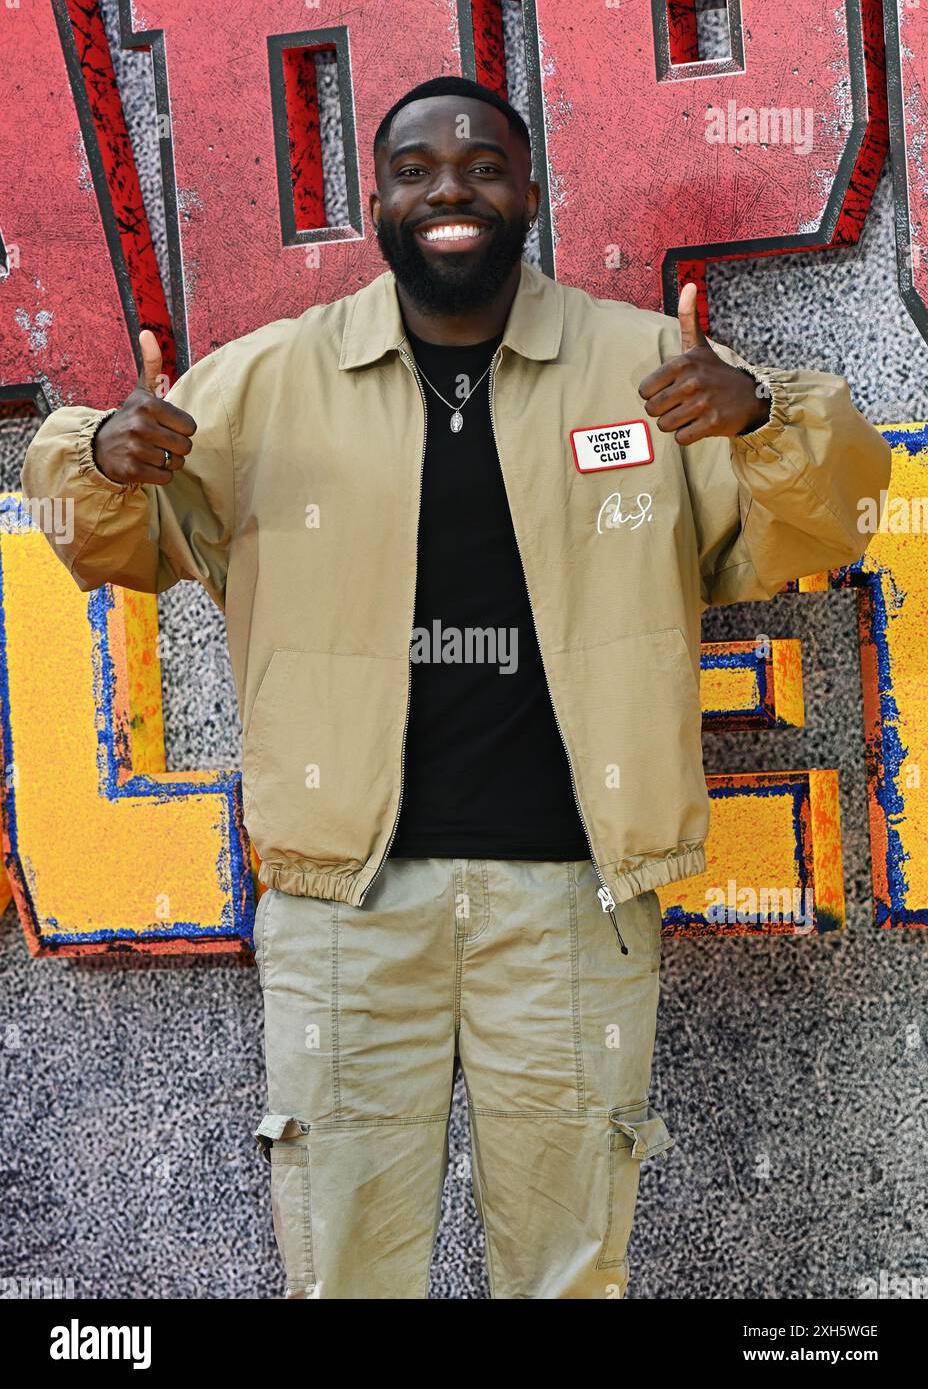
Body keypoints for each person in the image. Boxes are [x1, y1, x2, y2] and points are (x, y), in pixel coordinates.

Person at [21, 74, 892, 1299]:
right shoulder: (266, 381)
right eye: (417, 169)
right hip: (344, 907)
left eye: (481, 165)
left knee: (568, 1270)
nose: (450, 189)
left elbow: (837, 521)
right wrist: (106, 456)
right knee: (343, 1270)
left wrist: (759, 420)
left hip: (574, 901)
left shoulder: (645, 367)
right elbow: (101, 539)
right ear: (375, 201)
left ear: (528, 191)